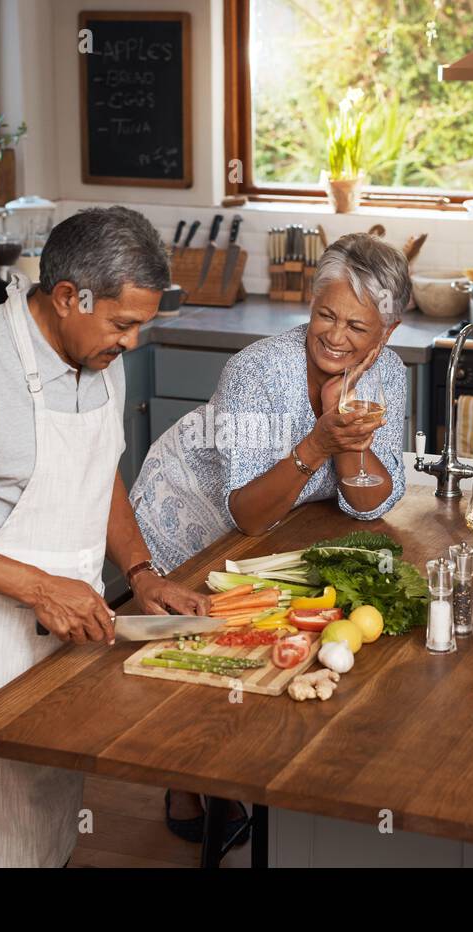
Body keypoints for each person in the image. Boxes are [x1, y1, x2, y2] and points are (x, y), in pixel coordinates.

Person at [0, 205, 208, 867]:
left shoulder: (99, 357)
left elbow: (97, 468)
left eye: (141, 324)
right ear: (65, 297)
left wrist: (141, 573)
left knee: (48, 823)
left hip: (59, 638)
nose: (133, 342)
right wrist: (36, 586)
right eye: (124, 323)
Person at [129, 231, 411, 842]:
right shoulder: (257, 371)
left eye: (357, 327)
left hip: (272, 520)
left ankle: (234, 774)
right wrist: (319, 442)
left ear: (387, 332)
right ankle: (189, 778)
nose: (336, 336)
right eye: (325, 316)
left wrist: (352, 442)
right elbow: (246, 513)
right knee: (206, 647)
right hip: (190, 509)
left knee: (257, 641)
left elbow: (372, 502)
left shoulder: (387, 375)